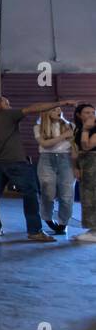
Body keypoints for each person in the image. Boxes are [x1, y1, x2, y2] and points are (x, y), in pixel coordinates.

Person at [0, 95, 68, 241]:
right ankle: (34, 231)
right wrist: (61, 102)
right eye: (7, 103)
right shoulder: (6, 114)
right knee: (30, 193)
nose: (10, 106)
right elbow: (34, 108)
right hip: (15, 162)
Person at [34, 105, 75, 235]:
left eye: (59, 109)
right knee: (48, 192)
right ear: (46, 112)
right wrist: (64, 136)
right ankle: (47, 218)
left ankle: (63, 223)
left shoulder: (71, 126)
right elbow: (45, 144)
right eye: (54, 109)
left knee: (67, 195)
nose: (58, 111)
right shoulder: (38, 127)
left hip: (66, 159)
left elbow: (74, 147)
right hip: (46, 160)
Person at [73, 103, 96, 242]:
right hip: (84, 165)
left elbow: (86, 146)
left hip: (93, 163)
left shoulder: (91, 129)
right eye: (87, 112)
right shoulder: (78, 129)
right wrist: (75, 167)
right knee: (86, 197)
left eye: (93, 112)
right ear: (79, 115)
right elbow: (75, 151)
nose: (91, 115)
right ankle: (92, 228)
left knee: (93, 196)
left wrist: (87, 130)